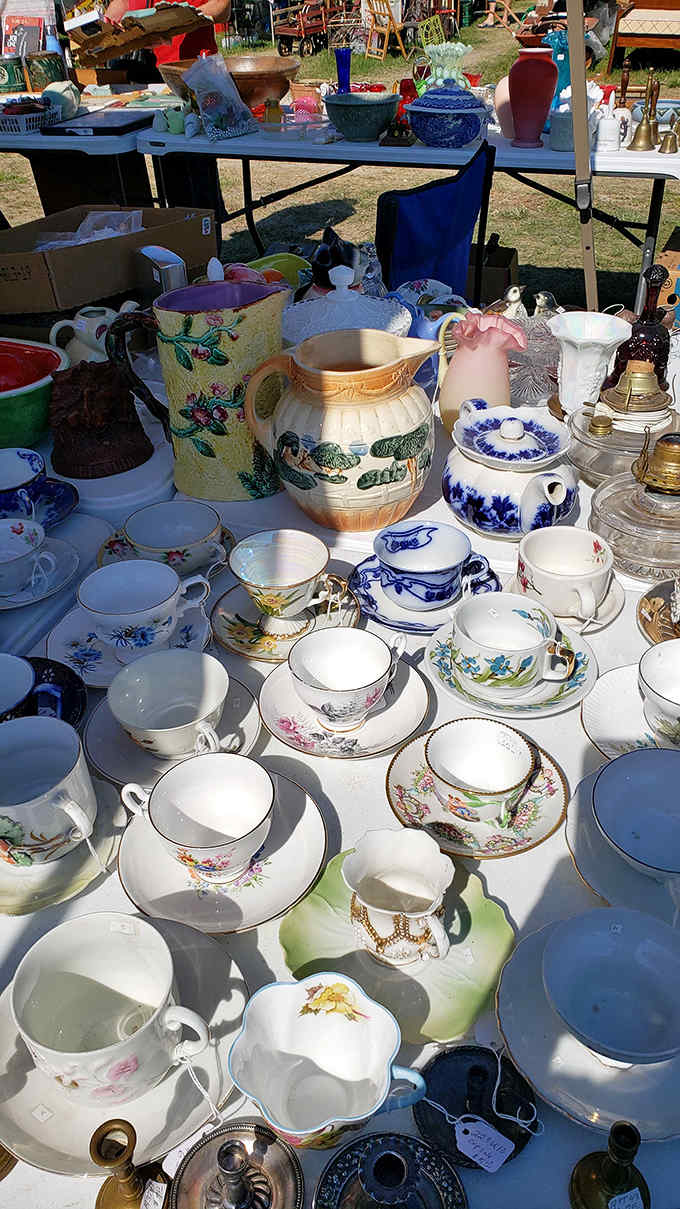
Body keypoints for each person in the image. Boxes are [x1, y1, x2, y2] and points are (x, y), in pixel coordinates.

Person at [103, 0, 232, 225]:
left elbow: (222, 7)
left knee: (194, 165)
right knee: (164, 165)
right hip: (151, 77)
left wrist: (179, 20)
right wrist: (110, 25)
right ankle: (172, 235)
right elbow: (122, 4)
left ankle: (205, 239)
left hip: (195, 68)